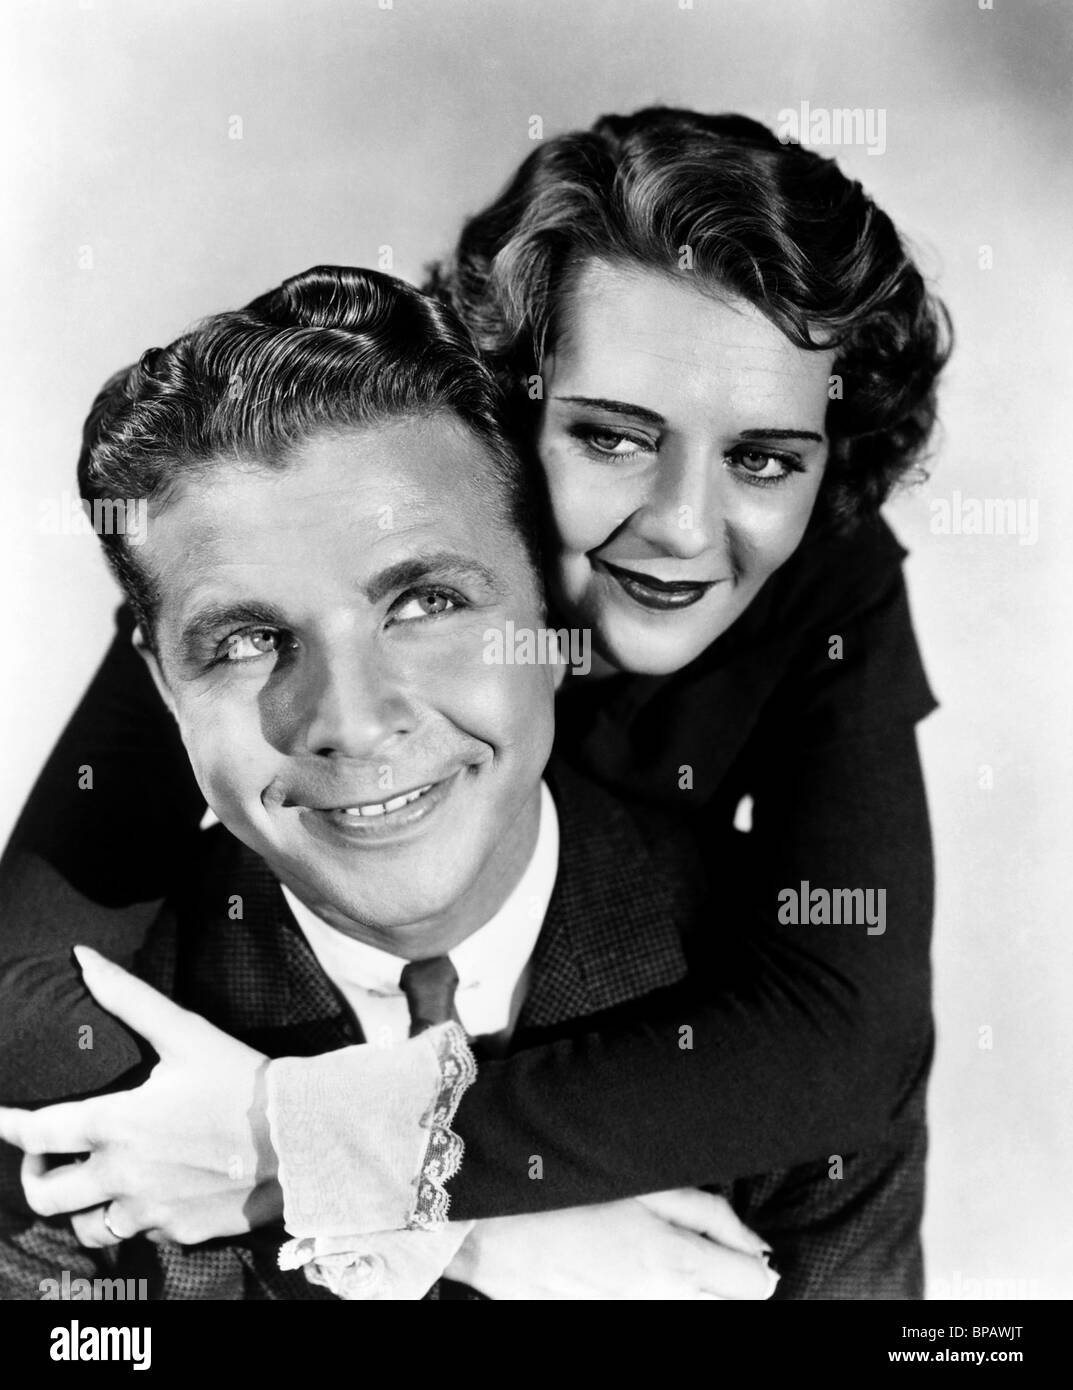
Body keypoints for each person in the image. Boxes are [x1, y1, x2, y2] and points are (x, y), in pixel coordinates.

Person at [0, 108, 947, 1295]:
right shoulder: (282, 562)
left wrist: (293, 1145)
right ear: (498, 414)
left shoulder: (828, 582)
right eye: (609, 437)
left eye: (763, 459)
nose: (683, 527)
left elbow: (837, 1046)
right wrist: (473, 1238)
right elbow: (17, 1005)